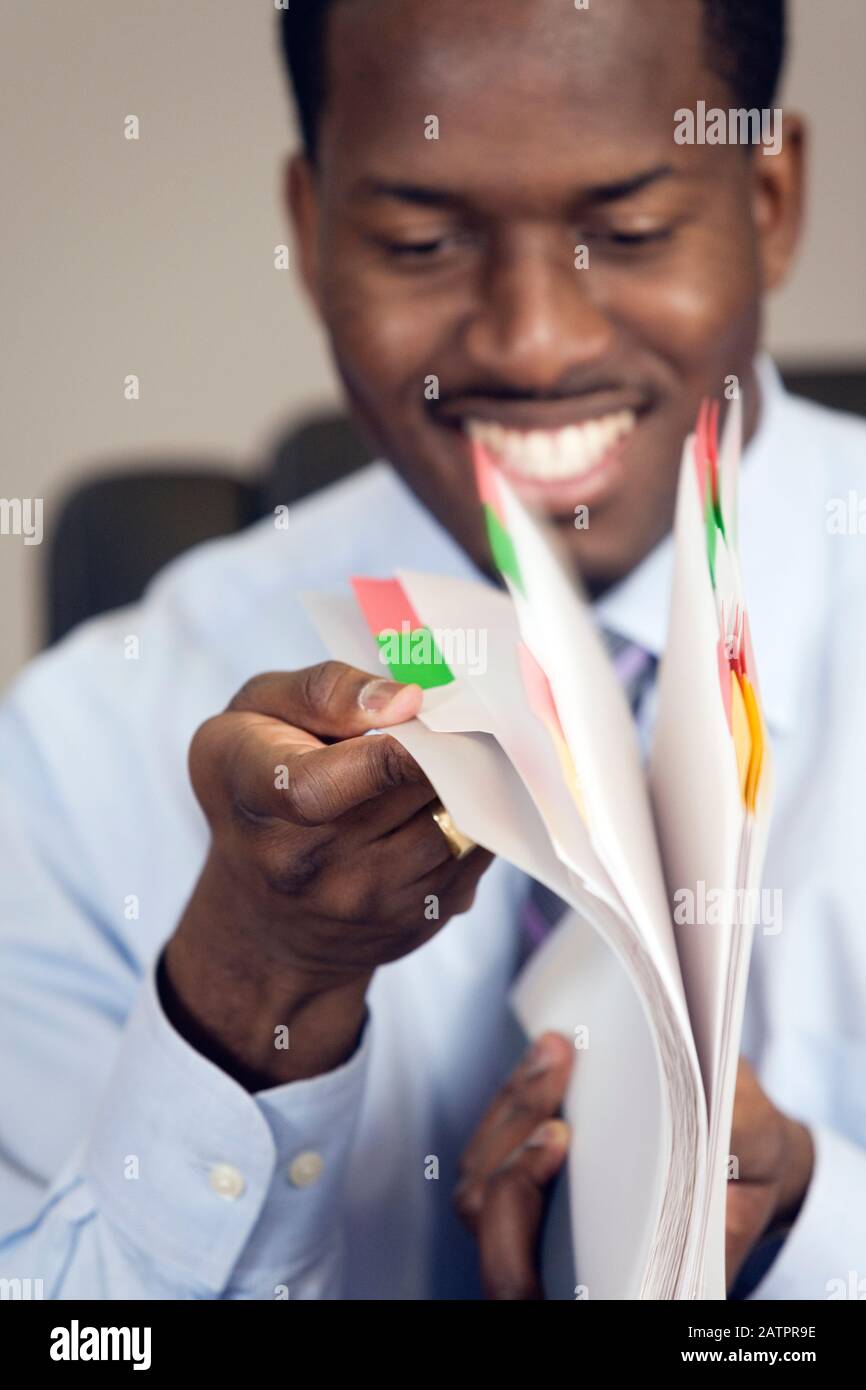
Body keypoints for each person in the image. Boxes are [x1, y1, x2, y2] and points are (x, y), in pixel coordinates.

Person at [1, 0, 864, 1301]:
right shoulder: (81, 739)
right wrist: (255, 982)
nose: (532, 340)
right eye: (419, 240)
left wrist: (805, 1231)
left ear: (770, 195)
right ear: (307, 223)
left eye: (626, 231)